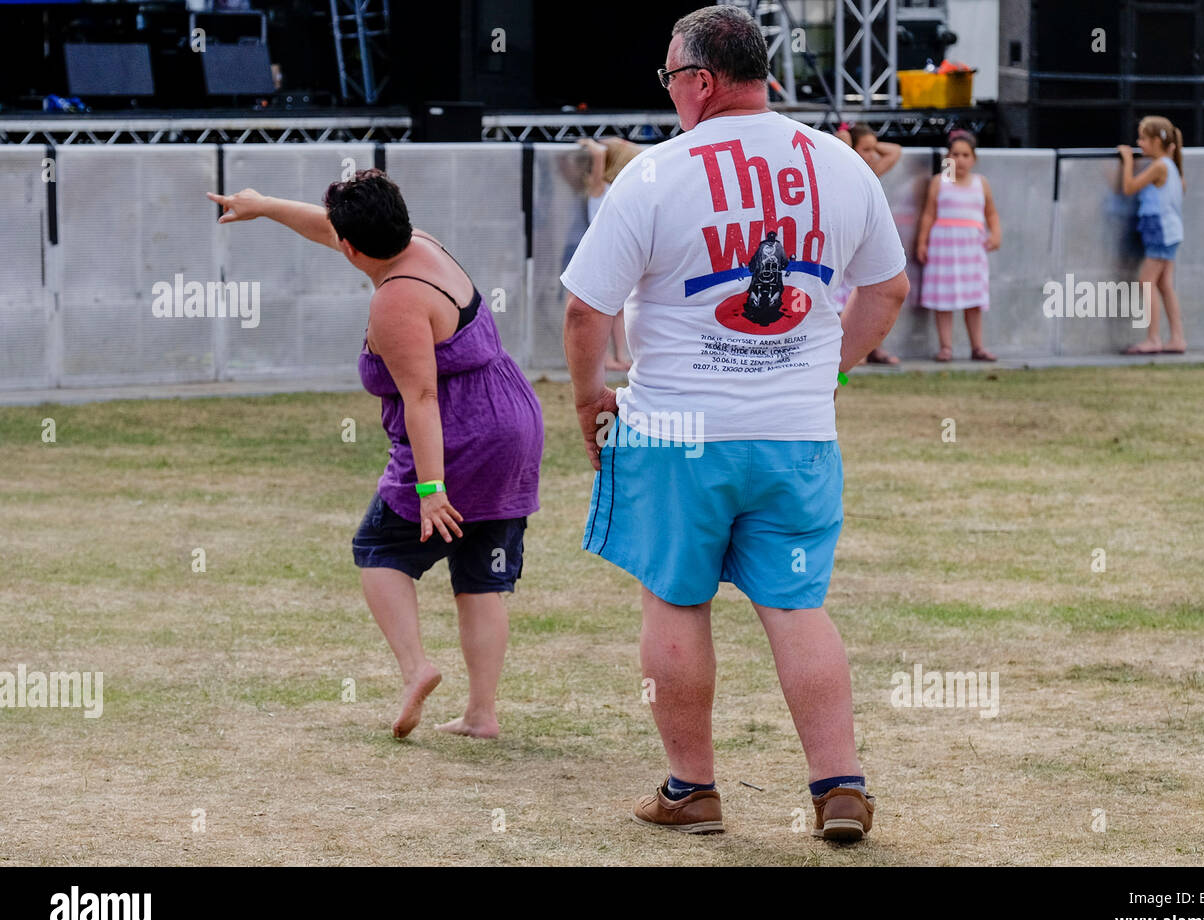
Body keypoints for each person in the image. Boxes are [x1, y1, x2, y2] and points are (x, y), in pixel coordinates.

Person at [561, 5, 909, 842]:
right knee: (796, 606)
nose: (671, 94)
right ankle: (840, 789)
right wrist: (827, 374)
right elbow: (888, 289)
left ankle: (692, 791)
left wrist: (588, 401)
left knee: (675, 601)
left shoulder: (651, 174)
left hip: (675, 430)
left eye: (672, 80)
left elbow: (584, 310)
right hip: (795, 433)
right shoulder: (838, 163)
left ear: (702, 82)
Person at [206, 171, 544, 740]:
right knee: (480, 579)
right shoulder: (419, 244)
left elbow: (422, 398)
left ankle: (417, 669)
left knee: (377, 548)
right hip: (513, 424)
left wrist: (431, 490)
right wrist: (263, 206)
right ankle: (481, 715)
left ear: (351, 248)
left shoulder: (395, 302)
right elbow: (332, 229)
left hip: (462, 436)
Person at [916, 129, 1001, 361]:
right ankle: (946, 347)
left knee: (973, 300)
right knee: (944, 300)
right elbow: (928, 214)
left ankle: (977, 346)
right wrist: (922, 242)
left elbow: (991, 213)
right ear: (947, 157)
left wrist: (995, 234)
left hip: (971, 249)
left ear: (973, 158)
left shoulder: (980, 183)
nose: (960, 160)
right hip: (944, 248)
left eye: (965, 155)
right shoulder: (939, 182)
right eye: (955, 154)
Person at [833, 122, 904, 364]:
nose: (874, 155)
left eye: (875, 149)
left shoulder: (871, 172)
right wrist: (846, 142)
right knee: (842, 296)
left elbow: (895, 151)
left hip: (865, 239)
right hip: (844, 240)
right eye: (866, 149)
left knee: (872, 291)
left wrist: (869, 144)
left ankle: (872, 347)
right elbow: (841, 150)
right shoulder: (839, 169)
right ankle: (848, 349)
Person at [1117, 115, 1187, 355]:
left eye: (1143, 139)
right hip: (1170, 230)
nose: (1139, 143)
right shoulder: (1173, 167)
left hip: (1160, 229)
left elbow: (1129, 187)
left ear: (1157, 141)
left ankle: (1153, 337)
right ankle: (1177, 337)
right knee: (1164, 284)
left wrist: (1127, 160)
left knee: (1146, 282)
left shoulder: (1160, 166)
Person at [577, 137, 634, 371]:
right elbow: (599, 153)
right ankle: (606, 357)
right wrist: (590, 143)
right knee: (605, 310)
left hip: (617, 253)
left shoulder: (617, 188)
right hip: (602, 255)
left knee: (619, 310)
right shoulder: (598, 187)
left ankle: (621, 355)